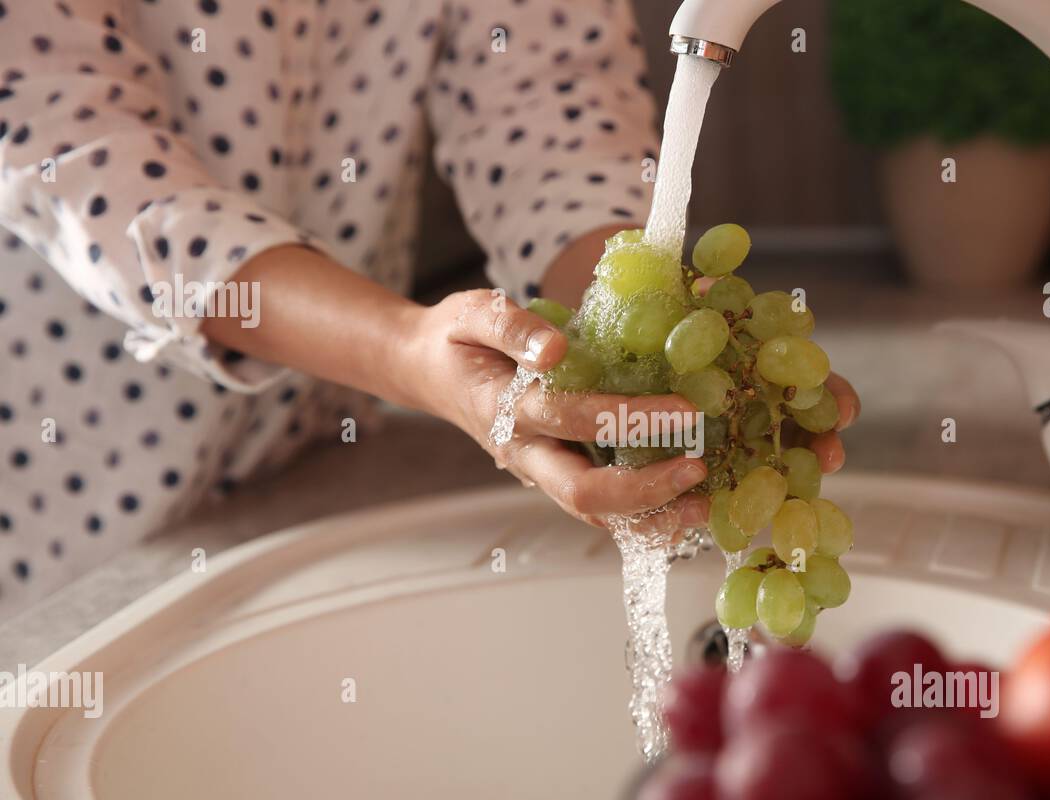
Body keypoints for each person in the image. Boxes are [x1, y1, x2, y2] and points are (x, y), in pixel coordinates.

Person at [0, 0, 857, 618]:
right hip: (63, 505)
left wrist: (636, 326)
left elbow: (548, 106)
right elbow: (73, 150)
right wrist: (404, 347)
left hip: (307, 463)